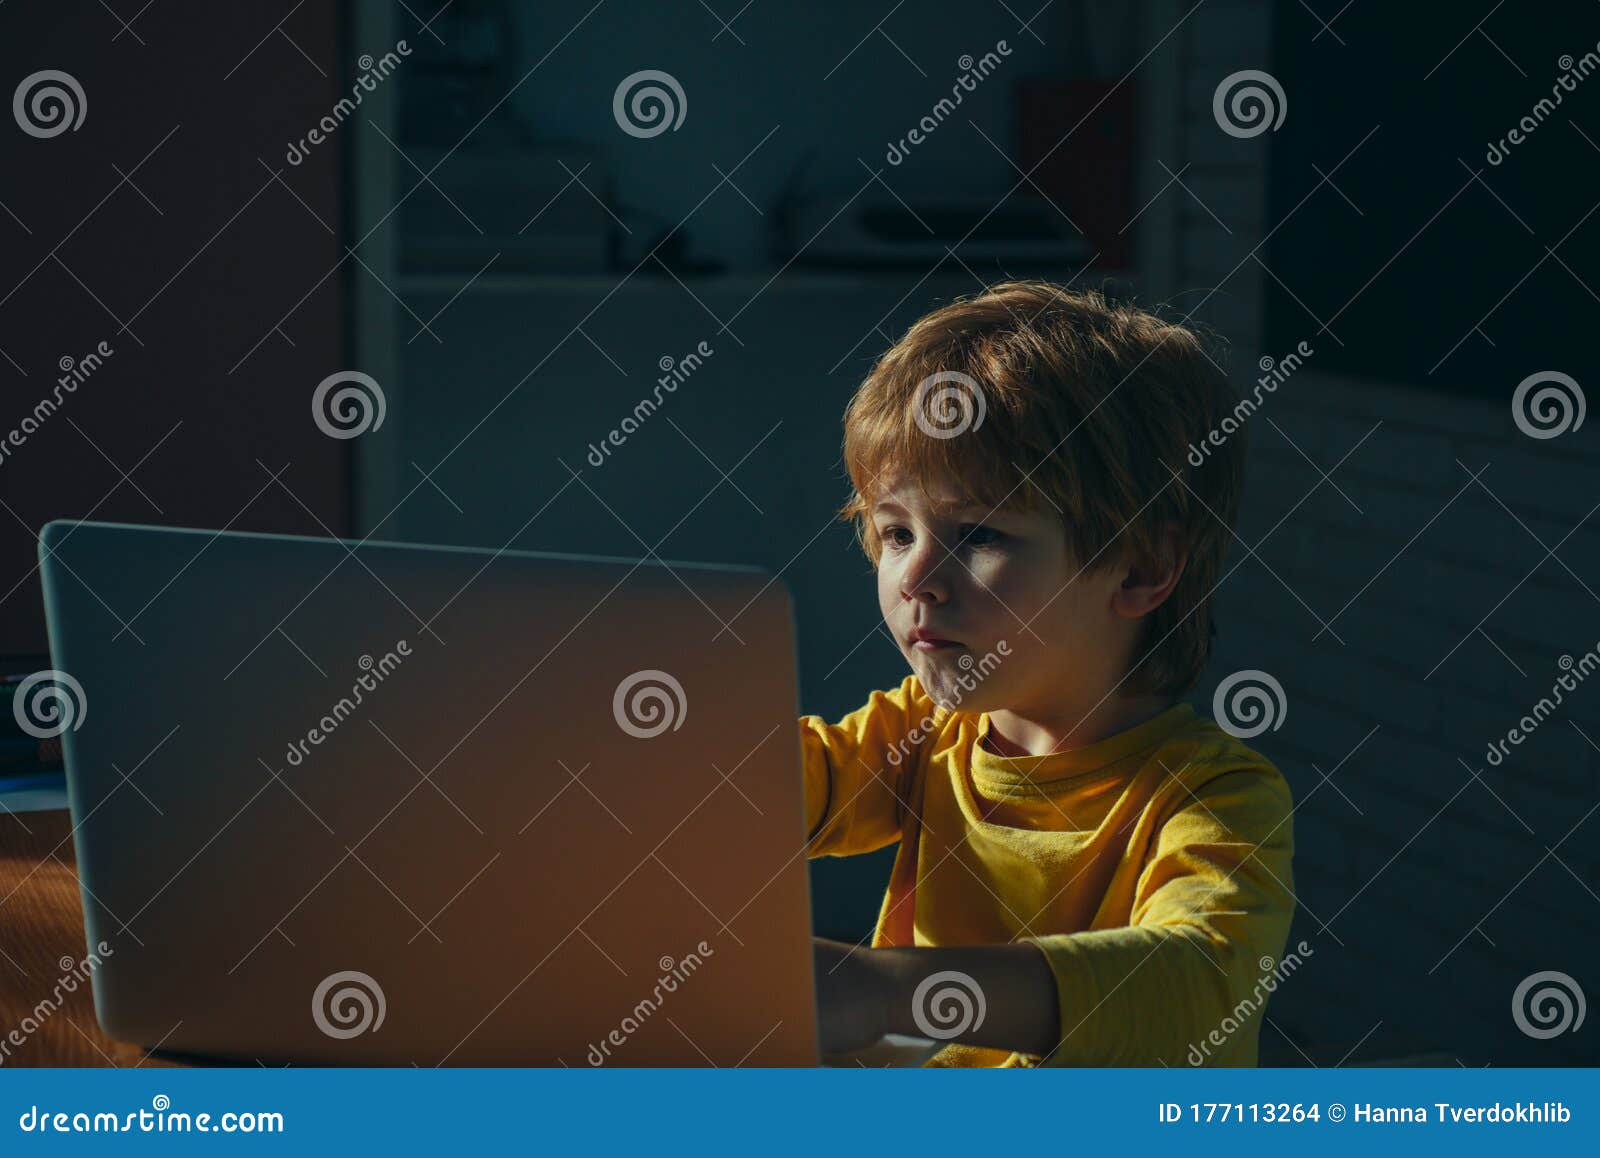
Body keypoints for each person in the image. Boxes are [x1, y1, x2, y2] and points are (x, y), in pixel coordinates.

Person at [803, 280, 1297, 1066]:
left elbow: (1201, 979)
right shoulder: (920, 733)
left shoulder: (1215, 796)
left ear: (1139, 568)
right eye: (896, 532)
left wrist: (886, 991)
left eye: (977, 535)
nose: (914, 579)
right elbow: (746, 796)